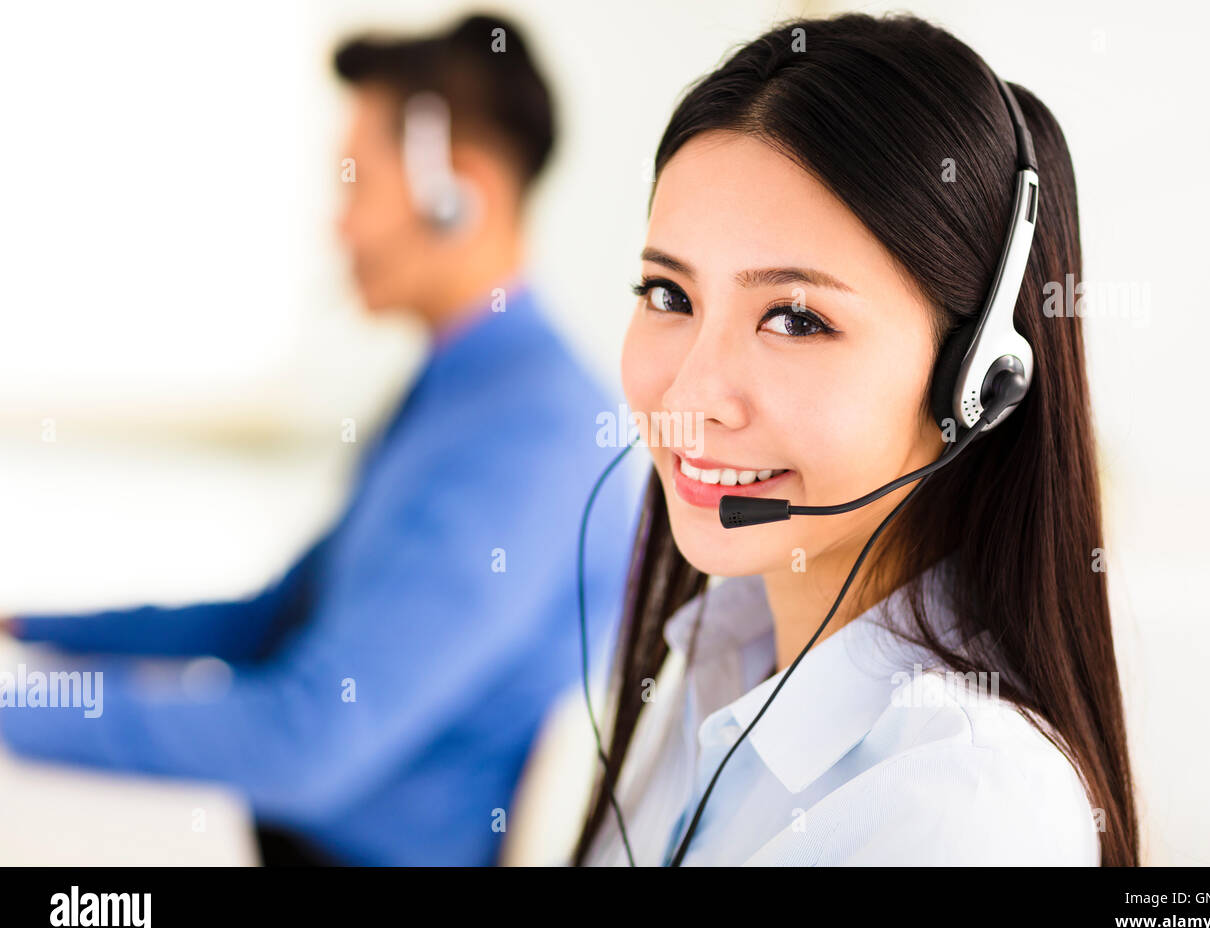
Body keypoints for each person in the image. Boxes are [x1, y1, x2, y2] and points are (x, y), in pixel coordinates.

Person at [0, 13, 637, 866]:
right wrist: (28, 627)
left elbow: (305, 741)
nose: (338, 228)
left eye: (356, 187)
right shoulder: (460, 387)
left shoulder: (532, 432)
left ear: (456, 195)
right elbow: (275, 620)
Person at [570, 12, 1139, 866]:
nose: (689, 395)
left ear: (974, 383)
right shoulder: (721, 650)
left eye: (795, 319)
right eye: (669, 294)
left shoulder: (963, 813)